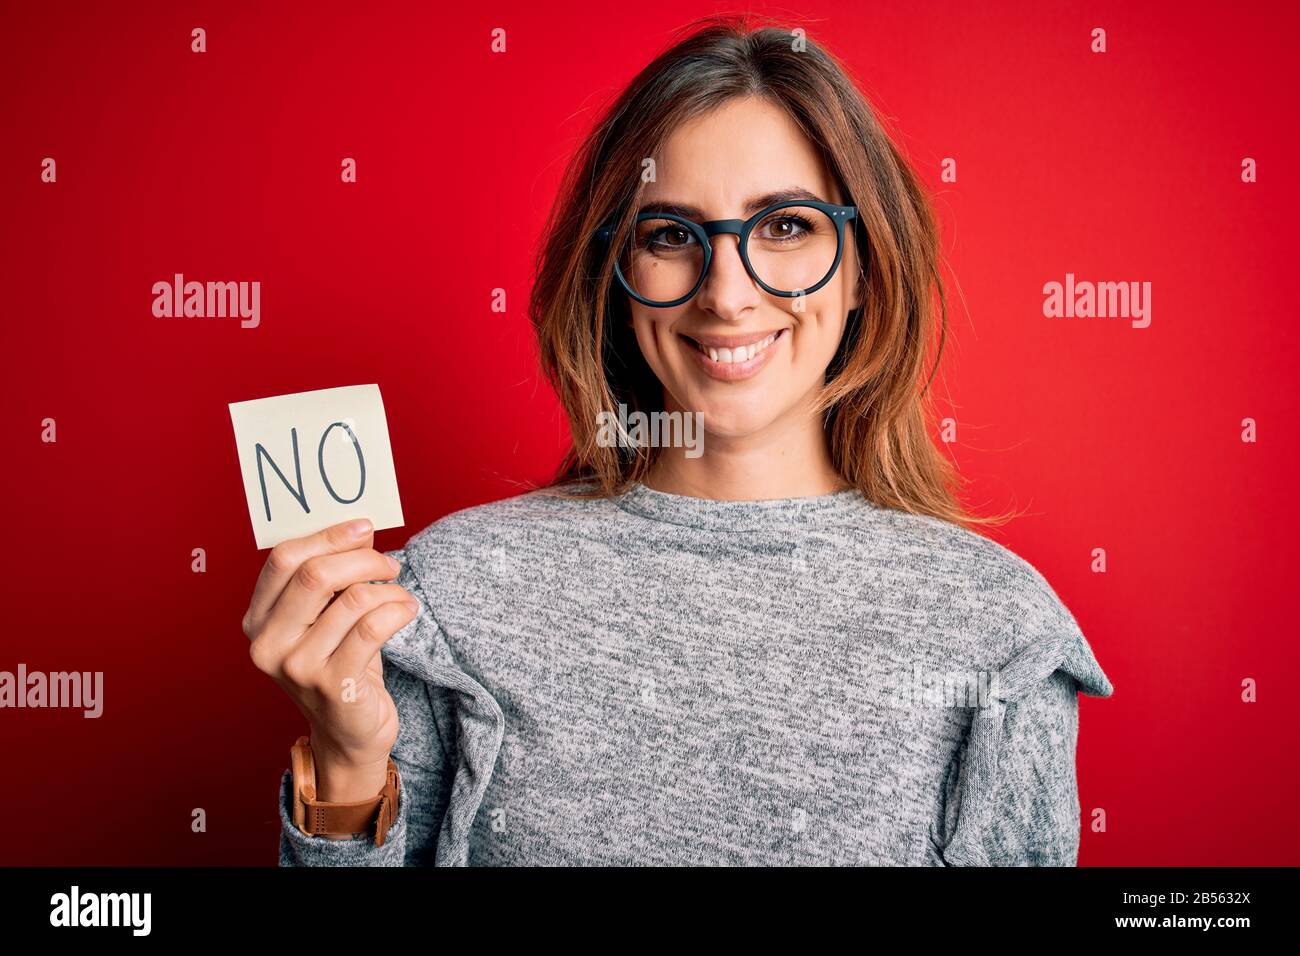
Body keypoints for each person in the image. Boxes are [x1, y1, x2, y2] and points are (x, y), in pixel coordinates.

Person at [245, 15, 1113, 866]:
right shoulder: (449, 595)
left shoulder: (999, 630)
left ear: (862, 267)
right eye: (669, 235)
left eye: (786, 226)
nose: (726, 295)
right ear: (616, 277)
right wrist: (346, 769)